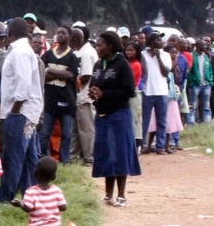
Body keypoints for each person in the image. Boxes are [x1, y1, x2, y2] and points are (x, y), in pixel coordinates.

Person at [0, 18, 44, 203]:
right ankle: (30, 195)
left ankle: (5, 196)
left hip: (19, 112)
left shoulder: (20, 52)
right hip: (27, 111)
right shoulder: (23, 50)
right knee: (29, 157)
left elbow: (23, 86)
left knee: (13, 156)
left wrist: (14, 111)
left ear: (10, 32)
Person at [89, 31, 141, 206]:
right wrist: (93, 93)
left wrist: (105, 94)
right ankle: (107, 194)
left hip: (119, 115)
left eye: (100, 45)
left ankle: (121, 195)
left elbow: (129, 91)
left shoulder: (122, 65)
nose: (97, 48)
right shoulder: (98, 65)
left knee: (119, 153)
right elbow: (94, 85)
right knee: (105, 153)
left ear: (110, 46)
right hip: (102, 115)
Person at [41, 25, 80, 163]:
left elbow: (71, 75)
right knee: (45, 134)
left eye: (63, 33)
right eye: (58, 33)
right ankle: (43, 160)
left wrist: (50, 72)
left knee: (67, 134)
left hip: (67, 101)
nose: (60, 35)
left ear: (69, 36)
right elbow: (41, 74)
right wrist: (60, 74)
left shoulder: (73, 57)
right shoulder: (48, 54)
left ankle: (64, 162)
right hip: (49, 101)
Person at [140, 32, 171, 155]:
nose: (161, 42)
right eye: (157, 40)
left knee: (162, 121)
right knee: (145, 120)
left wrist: (158, 57)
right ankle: (141, 144)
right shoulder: (143, 55)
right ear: (151, 42)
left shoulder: (165, 55)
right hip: (147, 91)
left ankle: (160, 146)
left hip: (162, 91)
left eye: (161, 40)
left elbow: (165, 73)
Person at [70, 26, 97, 165]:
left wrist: (75, 87)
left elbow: (86, 75)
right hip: (79, 97)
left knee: (87, 129)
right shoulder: (81, 51)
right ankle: (73, 156)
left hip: (84, 96)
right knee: (77, 128)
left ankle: (90, 157)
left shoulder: (86, 53)